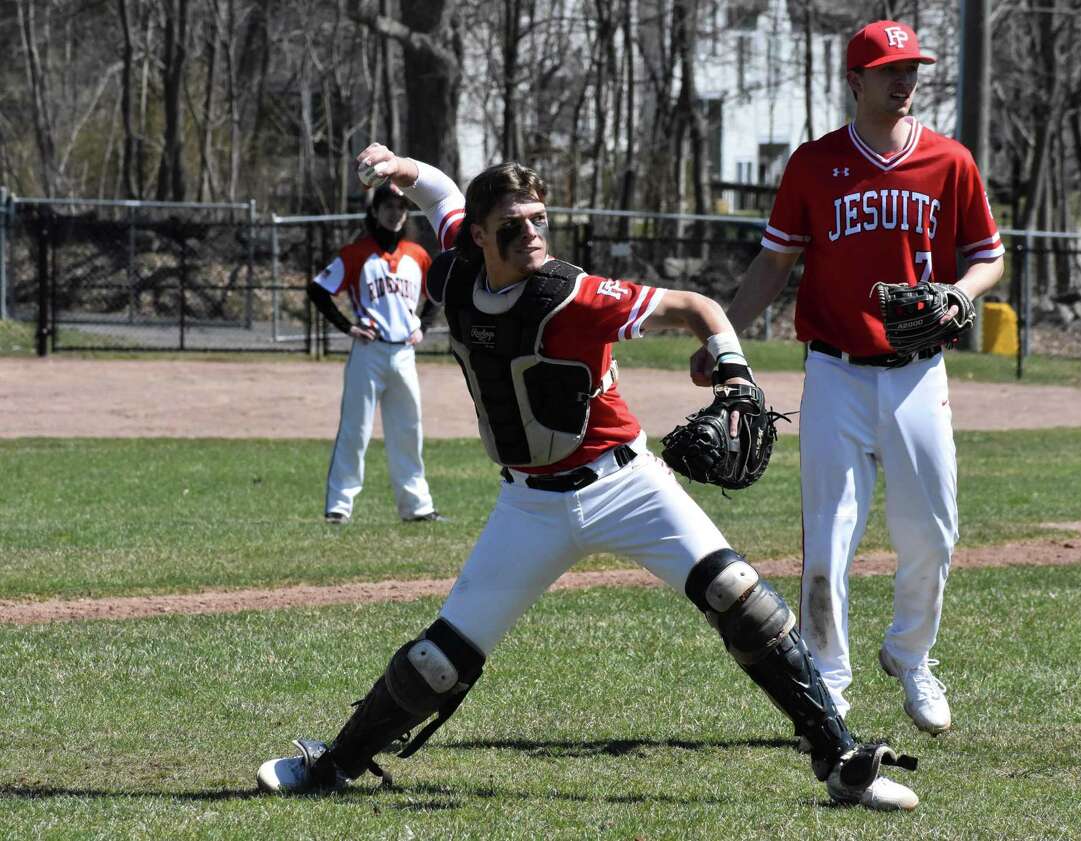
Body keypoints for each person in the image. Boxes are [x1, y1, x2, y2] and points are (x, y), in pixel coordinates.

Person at [257, 146, 921, 811]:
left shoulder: (572, 293)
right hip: (530, 505)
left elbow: (697, 306)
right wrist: (403, 167)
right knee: (439, 661)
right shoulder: (455, 273)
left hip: (627, 482)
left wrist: (736, 376)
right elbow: (439, 197)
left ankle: (840, 758)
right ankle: (332, 765)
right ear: (481, 236)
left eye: (540, 217)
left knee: (738, 594)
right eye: (513, 224)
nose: (533, 233)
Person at [692, 20, 1005, 736]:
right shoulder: (814, 164)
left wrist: (962, 292)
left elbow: (989, 256)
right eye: (889, 69)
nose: (904, 81)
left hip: (919, 373)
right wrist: (725, 335)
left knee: (932, 532)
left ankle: (910, 654)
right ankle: (828, 679)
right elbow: (774, 262)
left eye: (912, 69)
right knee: (829, 541)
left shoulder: (949, 161)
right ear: (854, 80)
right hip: (834, 370)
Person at [307, 183, 447, 525]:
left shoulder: (417, 254)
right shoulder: (357, 253)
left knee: (408, 430)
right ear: (375, 211)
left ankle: (416, 507)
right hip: (368, 352)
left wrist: (424, 326)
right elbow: (318, 289)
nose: (395, 213)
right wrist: (347, 327)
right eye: (388, 207)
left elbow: (439, 292)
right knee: (355, 431)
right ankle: (339, 507)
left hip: (404, 354)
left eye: (401, 208)